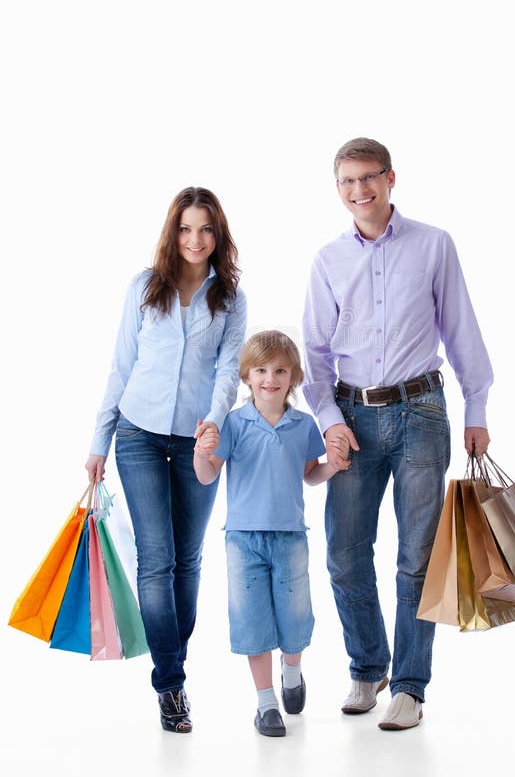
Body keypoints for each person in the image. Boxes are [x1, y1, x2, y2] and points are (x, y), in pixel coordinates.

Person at [302, 137, 493, 731]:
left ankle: (410, 686)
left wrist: (477, 408)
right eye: (348, 180)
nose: (359, 189)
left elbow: (461, 328)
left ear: (390, 178)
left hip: (421, 413)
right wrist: (330, 422)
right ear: (338, 188)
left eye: (369, 177)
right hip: (351, 419)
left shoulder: (434, 245)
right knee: (344, 554)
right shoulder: (328, 260)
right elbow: (314, 353)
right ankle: (368, 668)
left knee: (417, 558)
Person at [85, 187, 247, 733]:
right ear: (172, 232)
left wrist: (215, 419)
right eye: (185, 228)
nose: (195, 239)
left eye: (205, 229)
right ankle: (171, 684)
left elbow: (229, 369)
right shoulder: (144, 287)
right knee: (157, 560)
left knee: (188, 559)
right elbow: (121, 365)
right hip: (139, 435)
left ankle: (171, 656)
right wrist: (99, 442)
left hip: (199, 440)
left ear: (217, 234)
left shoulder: (230, 298)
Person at [193, 330, 339, 737]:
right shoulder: (233, 424)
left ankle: (292, 671)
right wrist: (200, 454)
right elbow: (207, 476)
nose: (270, 379)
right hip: (243, 540)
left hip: (290, 537)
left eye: (279, 370)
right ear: (246, 376)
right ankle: (266, 703)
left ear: (293, 377)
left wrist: (332, 466)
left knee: (295, 615)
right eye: (260, 370)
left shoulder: (303, 425)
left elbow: (310, 473)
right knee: (251, 619)